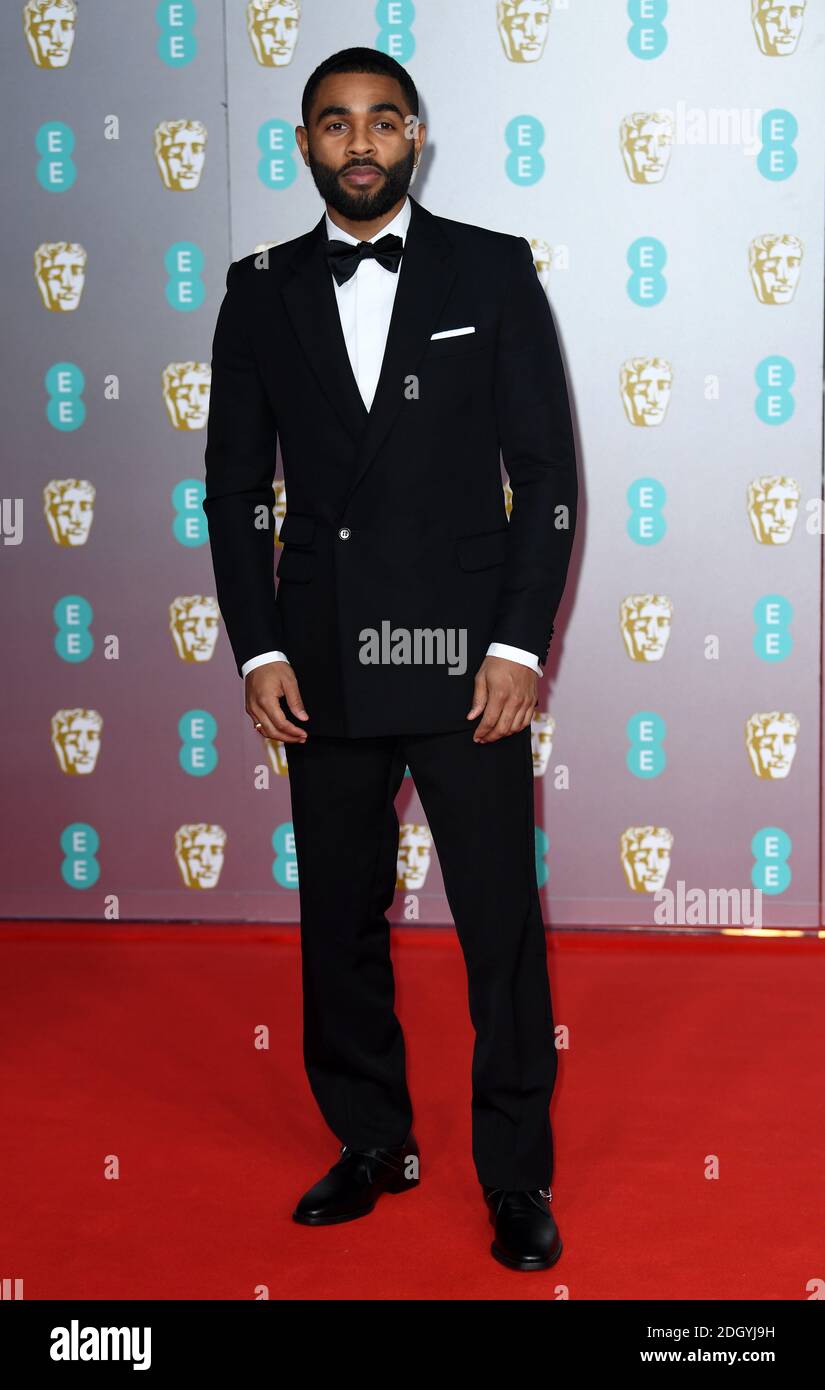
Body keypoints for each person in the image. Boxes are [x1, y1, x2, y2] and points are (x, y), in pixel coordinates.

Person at [203, 46, 578, 1272]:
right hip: (323, 657)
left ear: (416, 135)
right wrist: (257, 646)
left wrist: (519, 642)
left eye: (379, 121)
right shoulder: (257, 290)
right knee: (338, 916)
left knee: (498, 927)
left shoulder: (493, 267)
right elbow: (232, 490)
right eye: (332, 124)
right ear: (303, 144)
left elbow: (548, 478)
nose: (357, 142)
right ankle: (375, 1140)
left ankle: (515, 1174)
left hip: (468, 656)